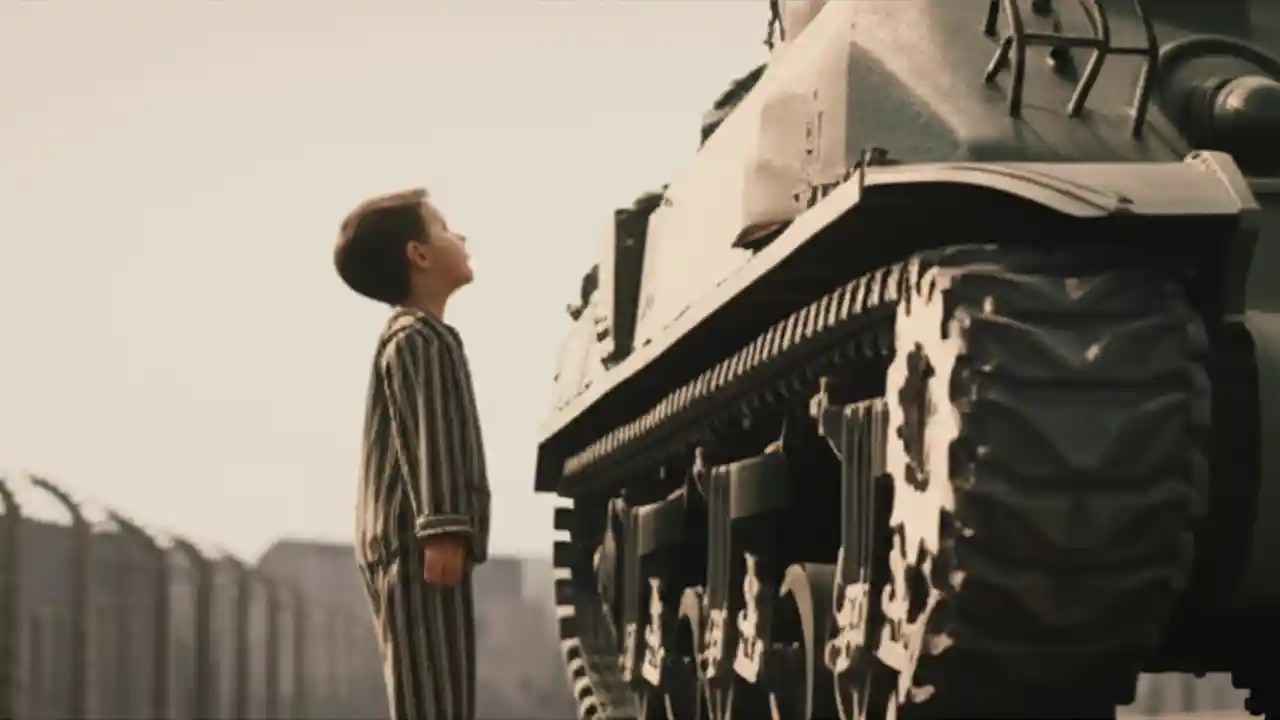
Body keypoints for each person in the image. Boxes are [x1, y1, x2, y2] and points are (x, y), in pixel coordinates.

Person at [334, 187, 491, 720]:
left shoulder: (418, 336)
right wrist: (443, 527)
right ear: (418, 254)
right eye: (444, 227)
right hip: (418, 544)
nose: (461, 237)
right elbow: (431, 438)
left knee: (437, 696)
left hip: (413, 544)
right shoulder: (417, 338)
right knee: (432, 699)